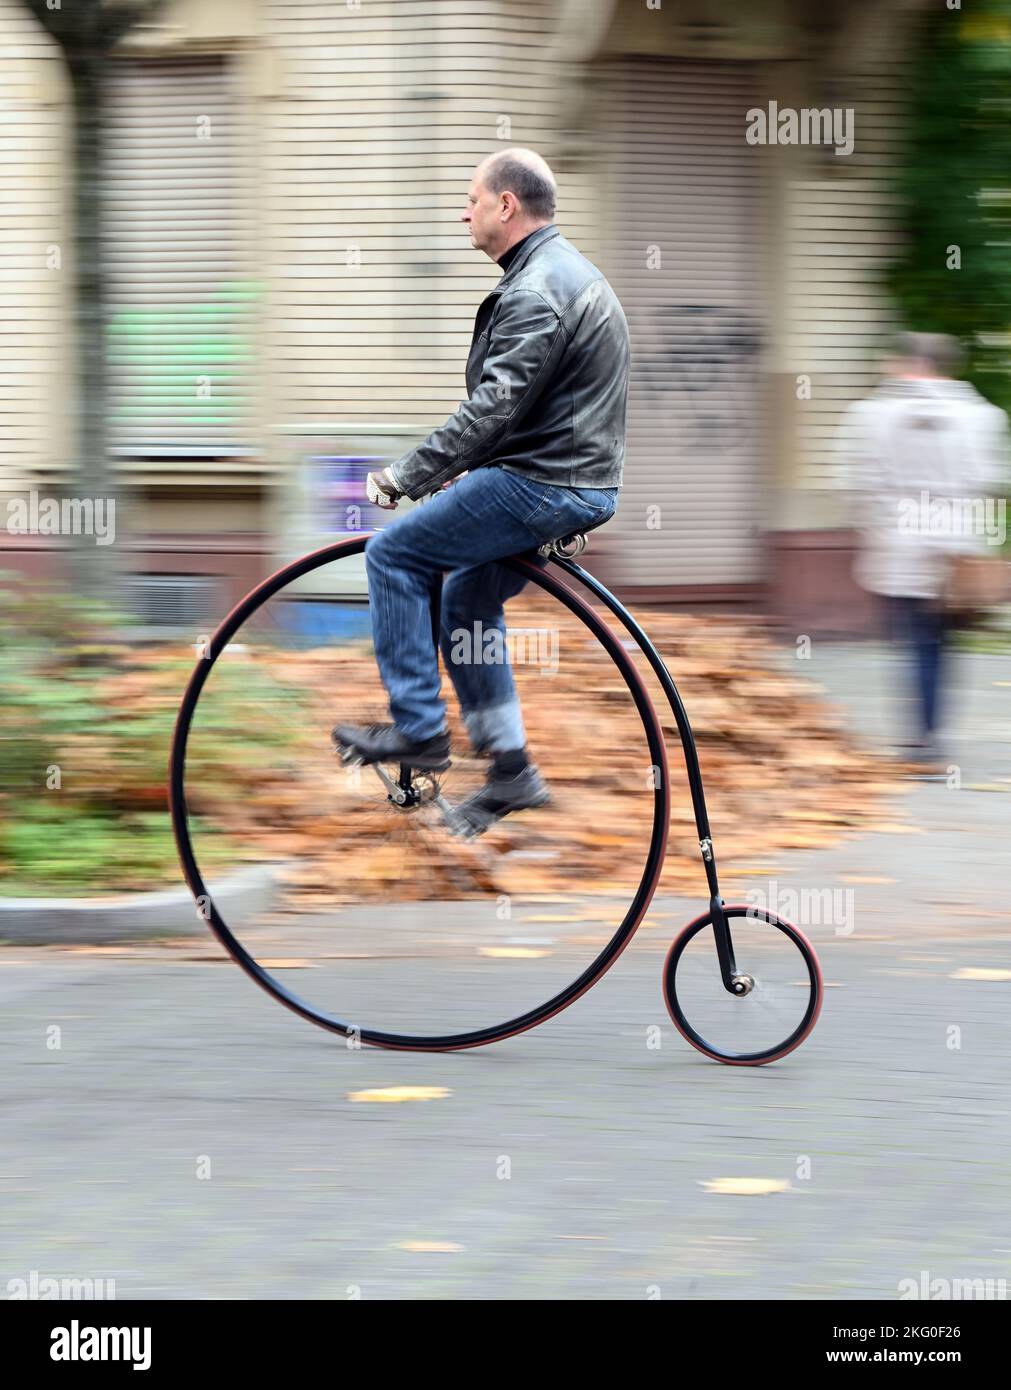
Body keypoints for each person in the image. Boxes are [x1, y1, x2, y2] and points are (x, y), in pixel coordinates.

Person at [332, 148, 629, 834]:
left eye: (471, 198)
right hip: (563, 477)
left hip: (546, 484)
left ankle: (418, 730)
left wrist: (406, 475)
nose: (461, 210)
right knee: (464, 597)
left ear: (506, 206)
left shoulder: (536, 290)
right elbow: (534, 407)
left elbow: (493, 407)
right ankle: (509, 770)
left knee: (393, 557)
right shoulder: (556, 274)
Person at [837, 331, 1009, 770]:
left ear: (911, 362)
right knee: (942, 645)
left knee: (912, 641)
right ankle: (934, 735)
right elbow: (988, 482)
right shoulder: (983, 416)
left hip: (900, 541)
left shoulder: (872, 415)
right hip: (955, 547)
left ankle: (920, 737)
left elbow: (860, 484)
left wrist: (873, 527)